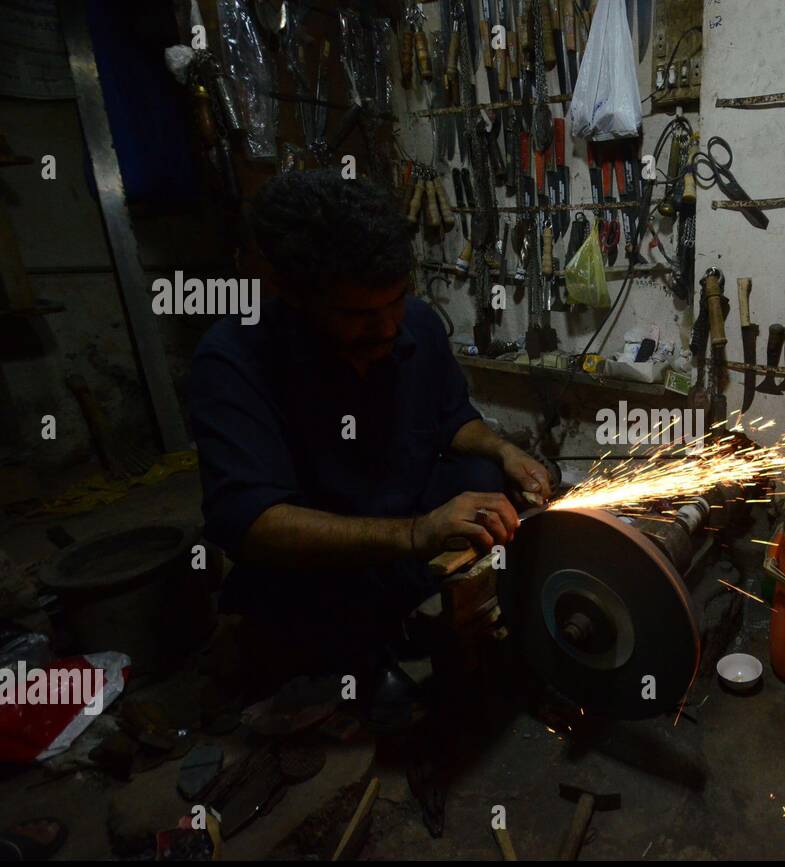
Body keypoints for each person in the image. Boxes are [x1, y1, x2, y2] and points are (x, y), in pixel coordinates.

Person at [190, 171, 550, 692]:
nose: (386, 328)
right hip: (320, 566)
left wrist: (505, 450)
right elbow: (253, 523)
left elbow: (453, 420)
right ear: (298, 299)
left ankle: (412, 620)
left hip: (398, 530)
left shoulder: (416, 324)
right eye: (357, 314)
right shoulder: (233, 360)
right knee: (311, 646)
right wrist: (416, 533)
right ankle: (347, 649)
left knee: (483, 475)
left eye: (395, 301)